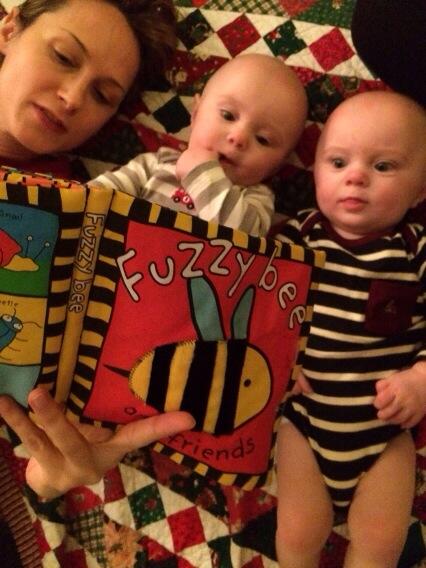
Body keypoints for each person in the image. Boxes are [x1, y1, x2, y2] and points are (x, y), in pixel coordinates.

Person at [0, 0, 195, 501]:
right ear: (9, 28)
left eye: (102, 95)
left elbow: (37, 422)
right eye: (64, 57)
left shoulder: (77, 228)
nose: (71, 98)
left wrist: (49, 475)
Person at [274, 90, 426, 567]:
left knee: (380, 542)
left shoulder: (415, 248)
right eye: (338, 162)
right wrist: (277, 359)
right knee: (298, 532)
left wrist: (421, 378)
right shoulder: (297, 238)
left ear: (420, 191)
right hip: (304, 417)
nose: (356, 176)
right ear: (316, 171)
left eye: (383, 166)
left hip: (385, 428)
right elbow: (252, 306)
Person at [92, 53, 308, 236]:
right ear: (195, 114)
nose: (238, 138)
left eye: (262, 139)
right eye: (228, 115)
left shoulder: (255, 201)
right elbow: (93, 199)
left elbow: (238, 242)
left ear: (277, 166)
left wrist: (202, 174)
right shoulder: (155, 164)